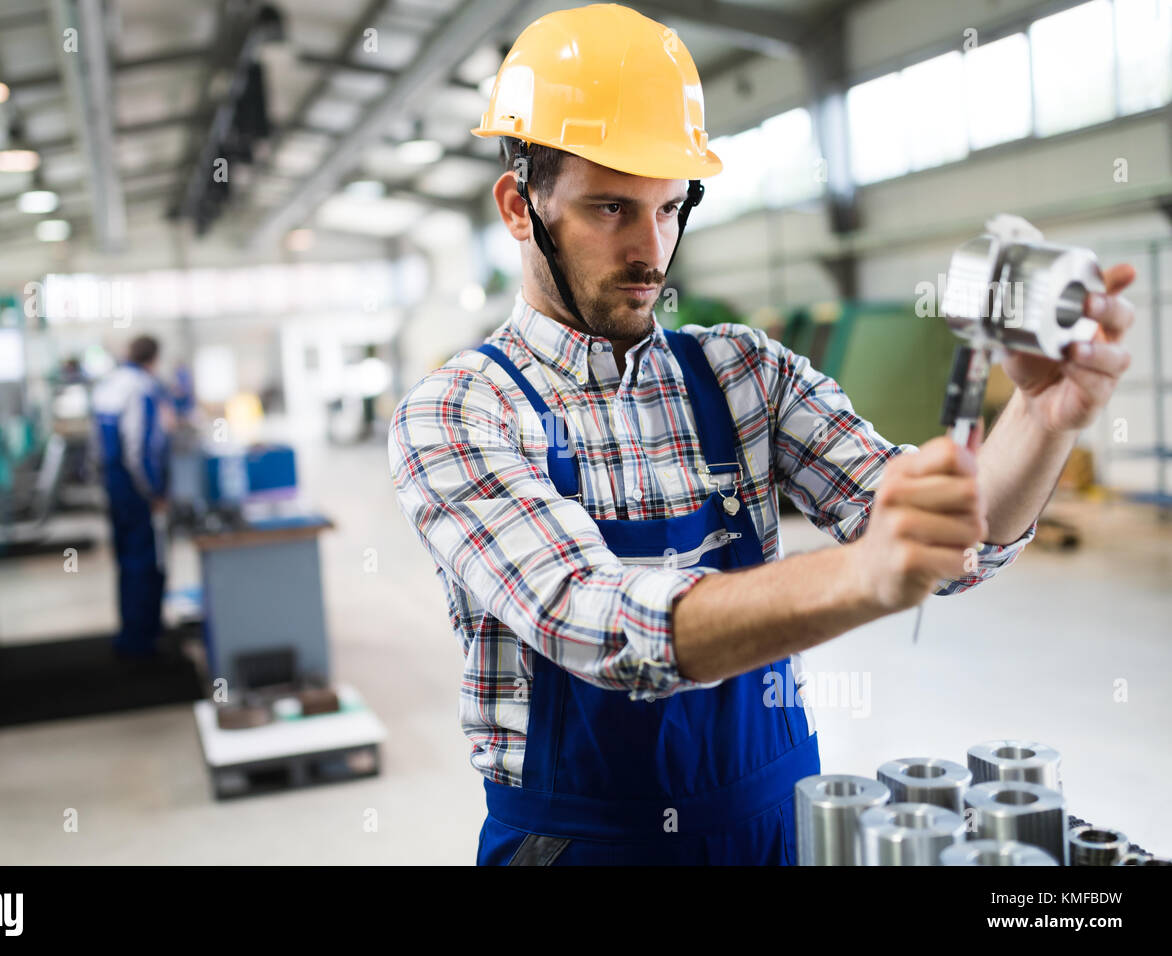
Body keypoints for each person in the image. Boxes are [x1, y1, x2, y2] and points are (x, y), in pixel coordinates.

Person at [388, 3, 1137, 865]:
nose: (652, 250)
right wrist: (861, 573)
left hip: (776, 826)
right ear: (520, 206)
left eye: (671, 207)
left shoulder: (743, 374)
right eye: (611, 210)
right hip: (582, 848)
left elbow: (953, 541)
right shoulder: (459, 411)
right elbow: (593, 624)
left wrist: (1040, 418)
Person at [92, 335, 171, 658]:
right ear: (153, 358)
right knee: (144, 562)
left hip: (115, 488)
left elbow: (98, 448)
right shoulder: (142, 389)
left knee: (126, 561)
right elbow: (139, 449)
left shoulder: (107, 386)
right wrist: (153, 490)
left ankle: (130, 632)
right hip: (136, 491)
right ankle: (142, 639)